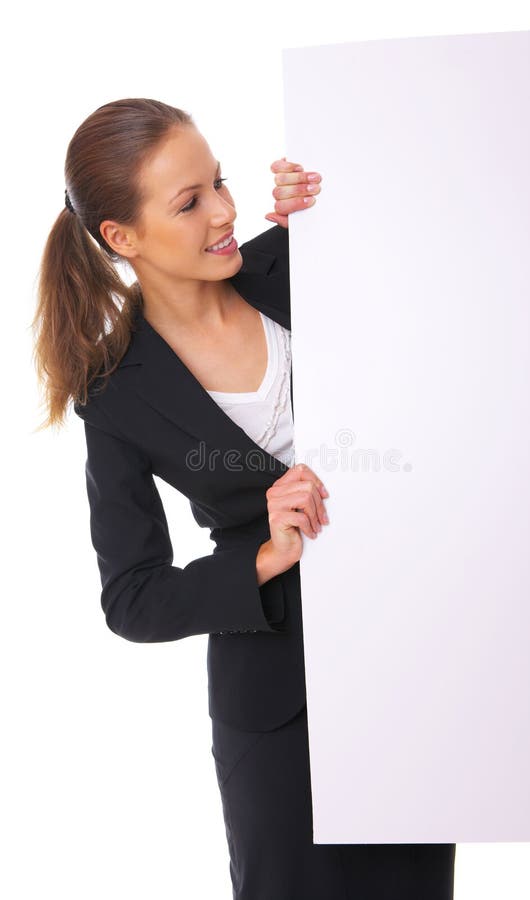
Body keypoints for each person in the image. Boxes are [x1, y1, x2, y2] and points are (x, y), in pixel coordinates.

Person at [32, 97, 456, 899]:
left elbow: (431, 257)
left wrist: (336, 199)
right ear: (121, 239)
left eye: (218, 183)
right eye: (189, 202)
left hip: (409, 657)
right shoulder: (115, 392)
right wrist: (261, 556)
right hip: (275, 700)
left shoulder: (301, 263)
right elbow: (132, 597)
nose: (224, 211)